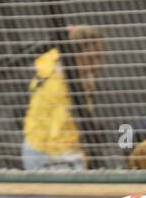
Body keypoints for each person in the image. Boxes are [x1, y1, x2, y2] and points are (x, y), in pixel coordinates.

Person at [22, 25, 106, 171]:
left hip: (31, 146)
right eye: (92, 58)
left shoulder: (50, 61)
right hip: (58, 159)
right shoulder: (67, 89)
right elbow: (56, 137)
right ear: (74, 55)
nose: (97, 65)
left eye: (100, 56)